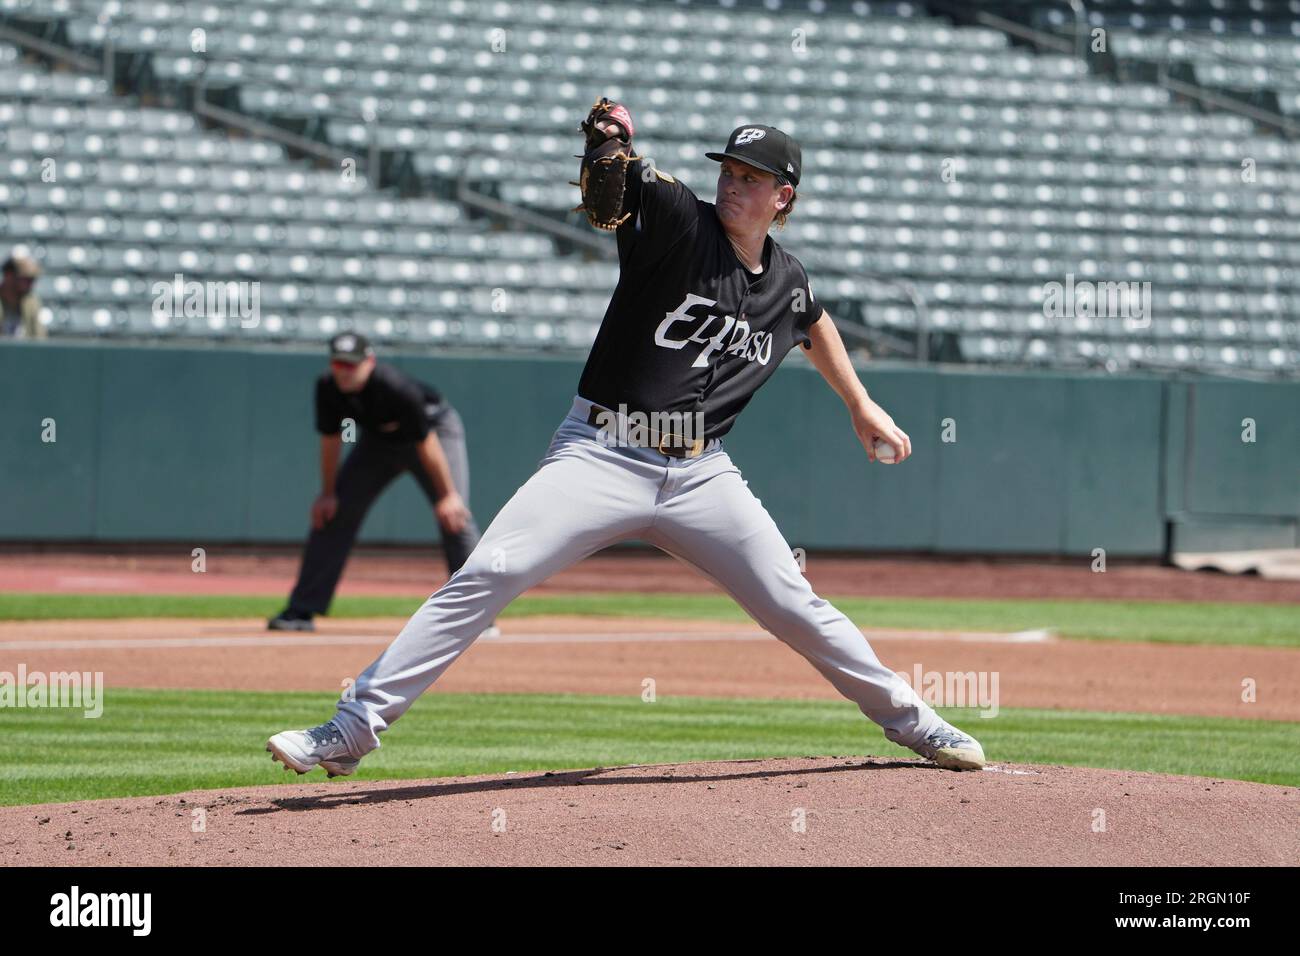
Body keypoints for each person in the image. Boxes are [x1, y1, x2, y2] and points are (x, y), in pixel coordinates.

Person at [266, 100, 986, 779]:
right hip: (602, 453)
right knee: (491, 571)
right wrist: (606, 140)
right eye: (728, 173)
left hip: (703, 477)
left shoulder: (787, 283)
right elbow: (616, 190)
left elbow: (812, 317)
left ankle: (916, 722)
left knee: (796, 605)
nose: (732, 186)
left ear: (784, 197)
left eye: (751, 179)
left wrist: (860, 403)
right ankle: (354, 727)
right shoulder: (680, 221)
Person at [267, 332, 487, 633]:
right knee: (333, 513)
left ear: (369, 361)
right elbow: (331, 441)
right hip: (379, 443)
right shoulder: (328, 388)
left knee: (454, 517)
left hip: (434, 433)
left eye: (352, 364)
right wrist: (328, 493)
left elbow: (426, 443)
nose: (344, 370)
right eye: (338, 363)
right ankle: (301, 610)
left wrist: (447, 495)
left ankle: (477, 614)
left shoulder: (395, 386)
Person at [1, 254, 47, 339]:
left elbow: (40, 337)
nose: (30, 284)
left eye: (32, 280)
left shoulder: (31, 302)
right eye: (26, 279)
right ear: (8, 275)